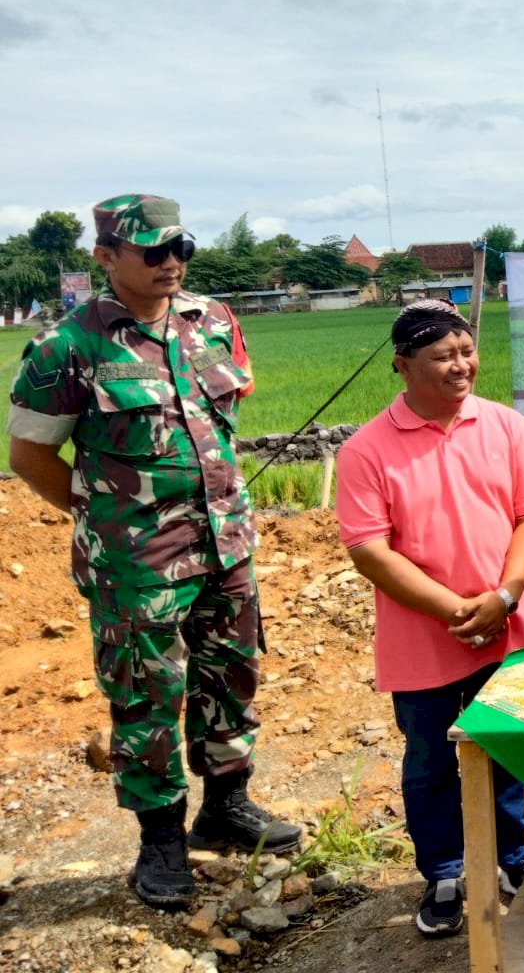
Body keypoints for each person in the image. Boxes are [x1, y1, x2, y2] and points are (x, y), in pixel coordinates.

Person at [6, 194, 300, 912]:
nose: (170, 263)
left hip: (225, 542)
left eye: (179, 248)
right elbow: (31, 454)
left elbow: (226, 413)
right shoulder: (67, 348)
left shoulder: (214, 323)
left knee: (231, 676)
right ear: (106, 257)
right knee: (145, 696)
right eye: (150, 251)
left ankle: (226, 806)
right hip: (135, 562)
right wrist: (102, 513)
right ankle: (160, 837)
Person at [334, 299, 524, 937]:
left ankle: (514, 859)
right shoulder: (367, 450)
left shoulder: (507, 426)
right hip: (422, 636)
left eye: (466, 351)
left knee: (508, 748)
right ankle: (447, 870)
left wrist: (505, 597)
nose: (462, 366)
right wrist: (457, 610)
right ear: (402, 366)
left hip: (504, 623)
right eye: (442, 356)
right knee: (429, 760)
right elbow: (368, 549)